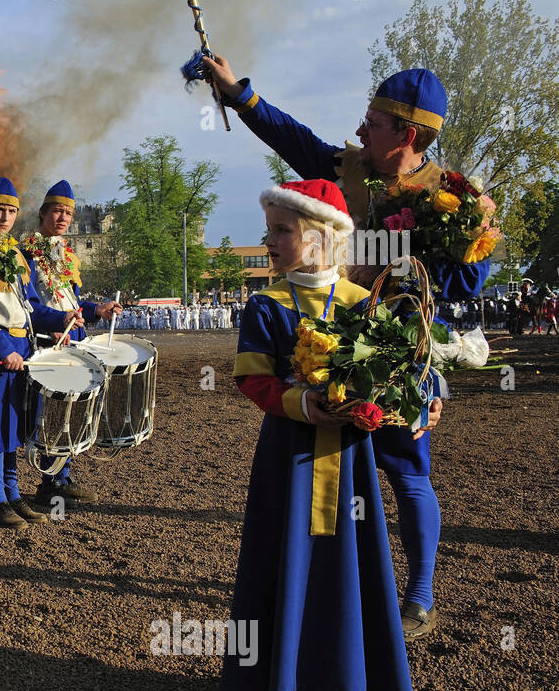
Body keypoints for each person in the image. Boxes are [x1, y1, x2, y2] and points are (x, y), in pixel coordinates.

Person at [203, 57, 473, 641]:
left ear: (407, 133)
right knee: (331, 464)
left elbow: (453, 294)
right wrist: (238, 93)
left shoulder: (450, 200)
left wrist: (432, 373)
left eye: (372, 123)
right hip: (326, 340)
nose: (358, 131)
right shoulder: (343, 168)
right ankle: (322, 584)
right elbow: (288, 133)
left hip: (401, 355)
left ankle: (419, 593)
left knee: (405, 469)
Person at [223, 179, 414, 691]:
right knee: (288, 556)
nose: (271, 240)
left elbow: (391, 379)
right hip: (290, 456)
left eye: (283, 230)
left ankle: (342, 675)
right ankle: (286, 688)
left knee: (346, 561)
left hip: (351, 459)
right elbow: (254, 382)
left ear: (321, 238)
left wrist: (401, 404)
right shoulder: (268, 304)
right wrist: (305, 403)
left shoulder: (366, 305)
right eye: (271, 229)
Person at [0, 177, 75, 529]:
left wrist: (63, 315)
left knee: (12, 426)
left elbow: (33, 308)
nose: (4, 218)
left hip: (22, 350)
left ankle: (13, 494)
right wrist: (2, 349)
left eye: (10, 211)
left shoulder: (17, 256)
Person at [20, 180, 121, 507]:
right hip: (47, 342)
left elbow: (71, 302)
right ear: (43, 214)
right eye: (57, 211)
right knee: (50, 416)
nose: (62, 218)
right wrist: (57, 321)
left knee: (70, 413)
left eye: (68, 213)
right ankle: (50, 482)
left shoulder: (64, 253)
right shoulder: (27, 251)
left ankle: (61, 478)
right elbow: (28, 305)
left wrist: (96, 310)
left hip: (72, 340)